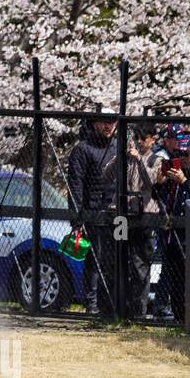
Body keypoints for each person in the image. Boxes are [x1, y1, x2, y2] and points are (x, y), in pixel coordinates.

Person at [153, 133, 190, 322]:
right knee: (174, 279)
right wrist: (160, 181)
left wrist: (184, 182)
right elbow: (158, 196)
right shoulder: (174, 171)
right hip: (173, 233)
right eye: (178, 153)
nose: (182, 158)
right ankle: (179, 318)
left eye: (186, 154)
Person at [105, 124, 159, 320]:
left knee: (140, 265)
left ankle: (139, 311)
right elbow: (107, 174)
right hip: (122, 215)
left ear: (152, 139)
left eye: (142, 138)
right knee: (119, 260)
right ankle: (120, 308)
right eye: (135, 138)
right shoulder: (125, 157)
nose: (138, 142)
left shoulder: (156, 159)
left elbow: (152, 181)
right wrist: (122, 157)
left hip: (144, 216)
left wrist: (140, 161)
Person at [67, 117, 119, 318]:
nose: (108, 126)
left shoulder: (118, 147)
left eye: (112, 123)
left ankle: (111, 303)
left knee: (115, 259)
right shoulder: (82, 149)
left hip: (116, 214)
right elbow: (75, 185)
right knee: (94, 260)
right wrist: (77, 219)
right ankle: (92, 304)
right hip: (93, 214)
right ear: (95, 124)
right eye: (103, 122)